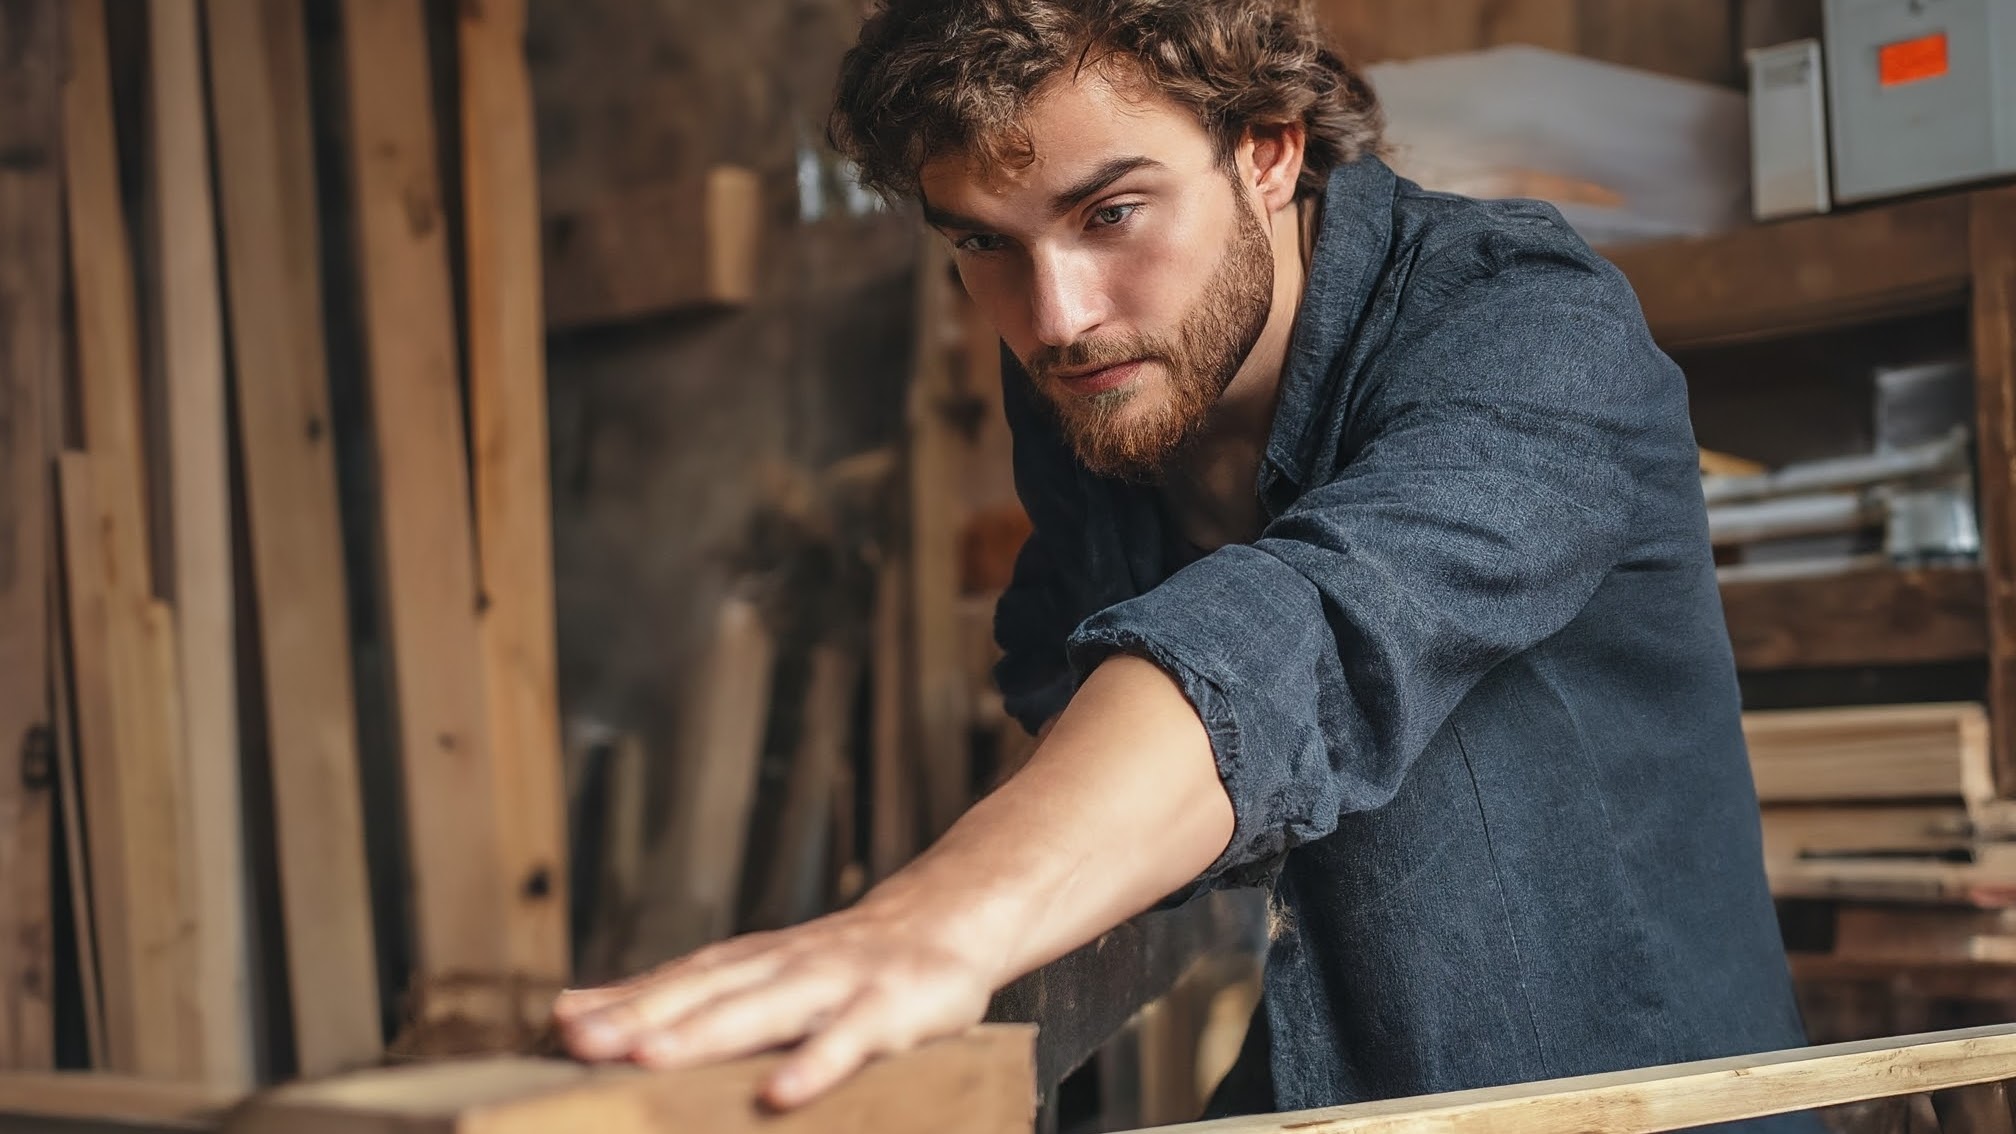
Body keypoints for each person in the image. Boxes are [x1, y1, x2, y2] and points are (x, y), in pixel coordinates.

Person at [552, 2, 1817, 1127]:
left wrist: (934, 921)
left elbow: (1314, 629)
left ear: (1266, 148)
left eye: (1111, 213)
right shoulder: (1101, 359)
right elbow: (1065, 669)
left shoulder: (1532, 330)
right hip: (1334, 1063)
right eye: (983, 244)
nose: (1056, 315)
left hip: (1625, 1096)